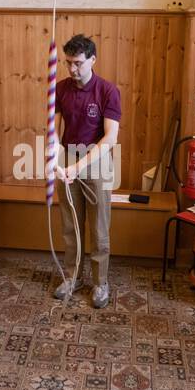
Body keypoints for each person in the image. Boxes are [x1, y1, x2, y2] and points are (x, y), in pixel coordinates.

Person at [52, 34, 121, 308]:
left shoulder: (107, 90)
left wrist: (78, 166)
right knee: (71, 225)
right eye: (68, 62)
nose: (72, 69)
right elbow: (54, 128)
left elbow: (110, 138)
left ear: (92, 59)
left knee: (99, 227)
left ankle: (100, 282)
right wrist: (54, 153)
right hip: (68, 157)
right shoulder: (61, 88)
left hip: (98, 159)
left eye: (78, 63)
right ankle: (73, 276)